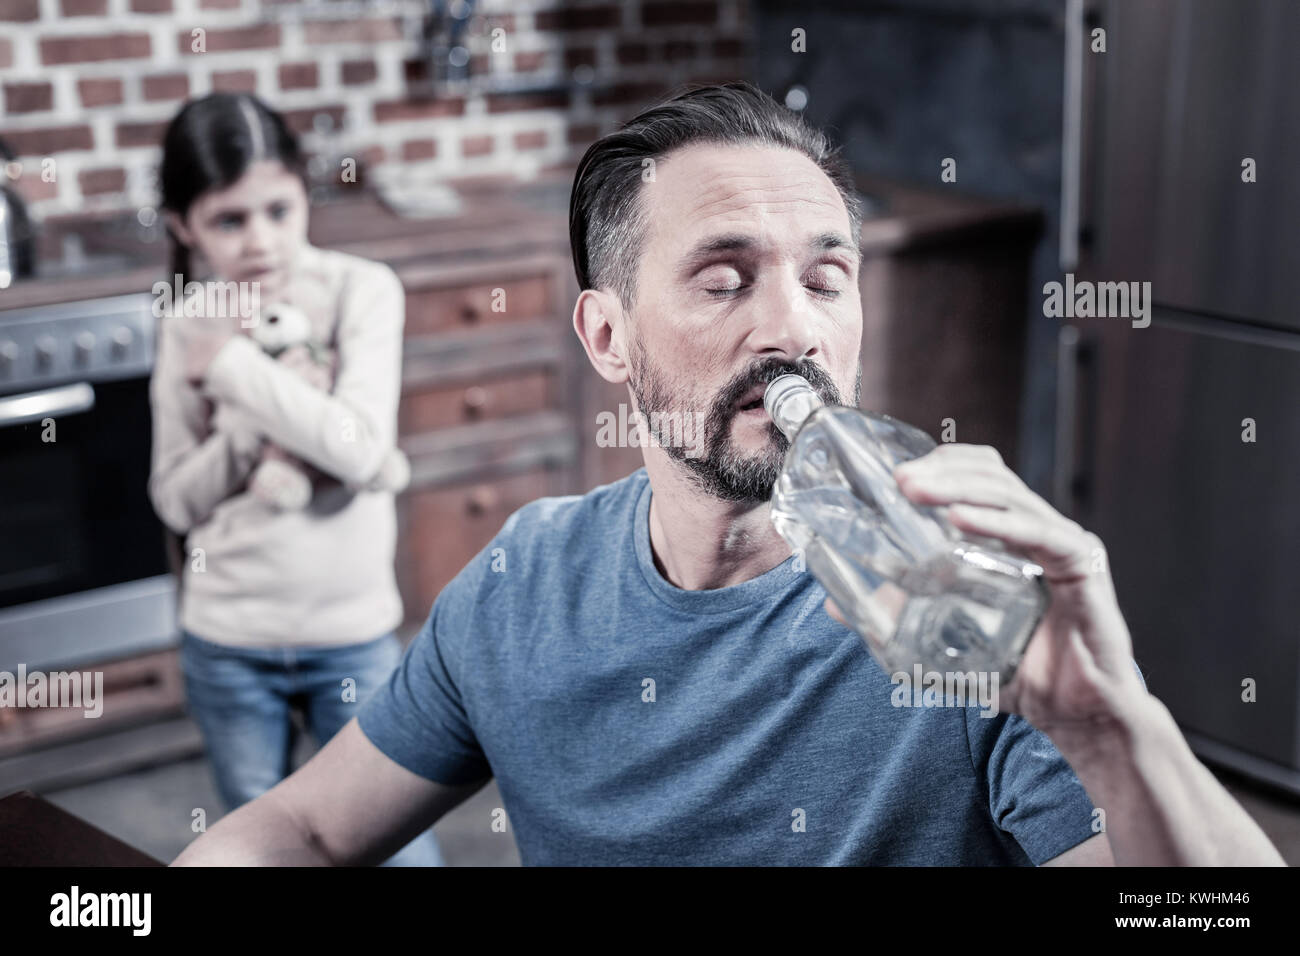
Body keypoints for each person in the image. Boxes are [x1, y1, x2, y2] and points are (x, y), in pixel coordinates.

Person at [172, 83, 1284, 866]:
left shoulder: (959, 607)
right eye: (723, 278)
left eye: (826, 277)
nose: (793, 328)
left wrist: (1114, 727)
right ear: (607, 338)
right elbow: (305, 829)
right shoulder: (524, 581)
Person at [148, 93, 444, 866]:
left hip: (350, 635)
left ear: (302, 193)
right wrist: (250, 435)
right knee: (262, 853)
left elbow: (356, 448)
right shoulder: (187, 323)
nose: (261, 243)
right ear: (183, 226)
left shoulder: (362, 290)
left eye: (278, 210)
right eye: (229, 221)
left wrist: (237, 372)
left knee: (400, 852)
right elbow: (175, 498)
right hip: (228, 641)